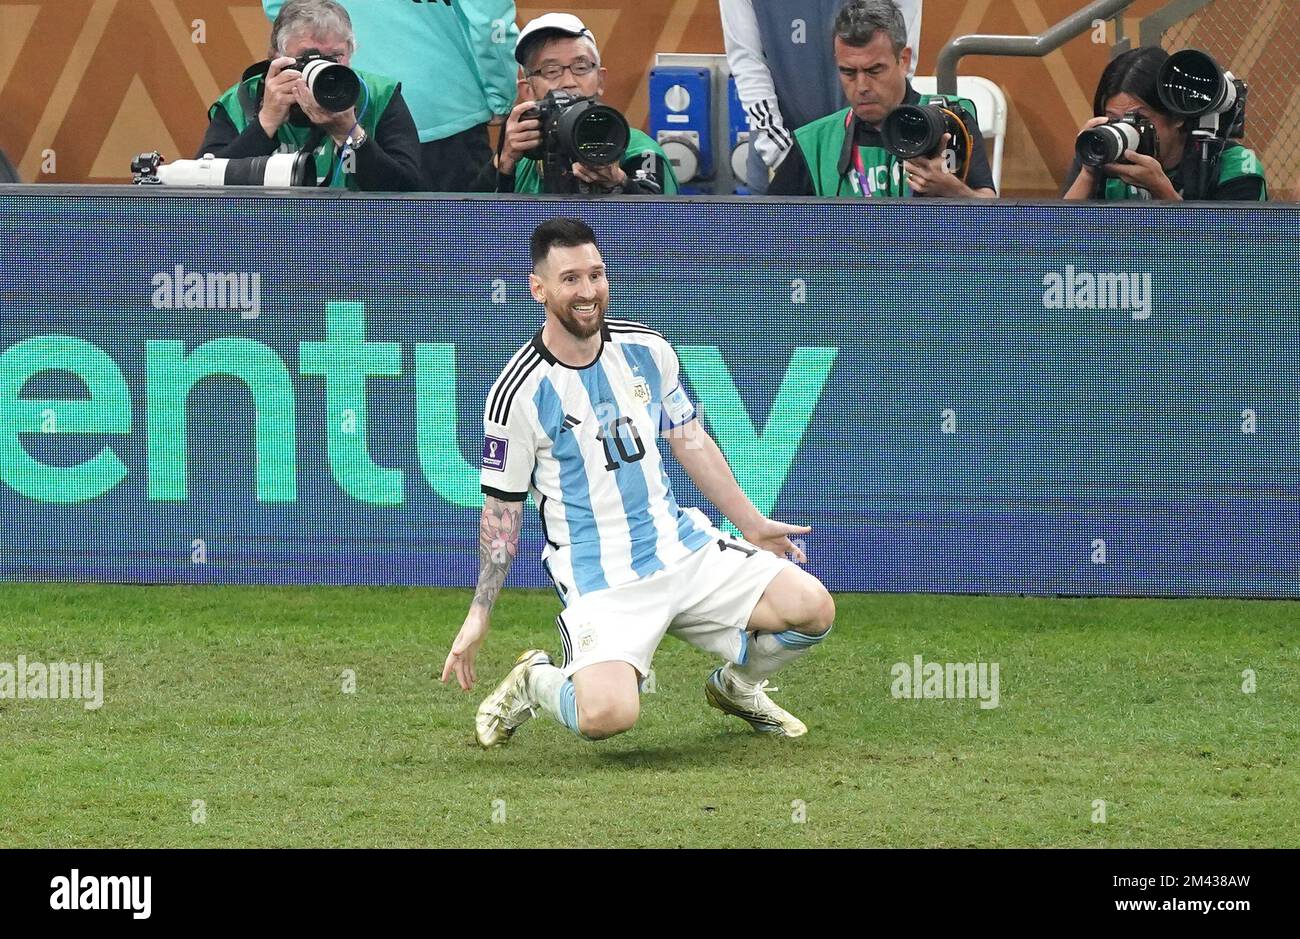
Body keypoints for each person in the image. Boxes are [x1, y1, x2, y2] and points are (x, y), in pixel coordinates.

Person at [442, 218, 834, 747]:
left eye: (596, 275)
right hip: (601, 577)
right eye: (570, 280)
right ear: (539, 289)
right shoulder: (518, 392)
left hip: (681, 547)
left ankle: (738, 686)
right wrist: (479, 613)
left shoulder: (648, 349)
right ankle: (534, 681)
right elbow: (502, 515)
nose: (587, 292)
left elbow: (689, 441)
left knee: (812, 608)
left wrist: (752, 524)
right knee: (607, 717)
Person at [262, 0, 518, 192]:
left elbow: (284, 9)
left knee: (341, 247)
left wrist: (316, 65)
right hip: (445, 112)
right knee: (455, 249)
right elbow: (490, 24)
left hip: (343, 96)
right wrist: (501, 96)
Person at [769, 0, 995, 199]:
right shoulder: (815, 143)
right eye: (848, 72)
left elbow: (993, 219)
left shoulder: (951, 120)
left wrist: (953, 191)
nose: (861, 87)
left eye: (874, 70)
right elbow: (764, 229)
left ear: (903, 60)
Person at [199, 0, 422, 192]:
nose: (323, 69)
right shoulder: (241, 101)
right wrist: (266, 122)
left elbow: (408, 192)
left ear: (351, 53)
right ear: (276, 57)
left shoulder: (377, 95)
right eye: (308, 58)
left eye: (335, 56)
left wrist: (349, 134)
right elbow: (201, 186)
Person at [722, 0, 922, 193]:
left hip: (874, 147)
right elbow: (747, 60)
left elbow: (896, 58)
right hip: (780, 149)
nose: (861, 84)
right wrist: (786, 157)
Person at [473, 14, 678, 195]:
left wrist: (618, 182)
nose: (569, 81)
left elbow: (662, 229)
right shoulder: (524, 155)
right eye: (551, 71)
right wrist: (504, 163)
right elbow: (472, 228)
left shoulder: (637, 149)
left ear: (600, 80)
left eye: (581, 67)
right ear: (527, 91)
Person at [1062, 47, 1267, 201]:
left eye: (1138, 118)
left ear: (1177, 117)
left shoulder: (1235, 166)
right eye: (1114, 119)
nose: (1123, 129)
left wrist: (1161, 190)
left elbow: (1229, 253)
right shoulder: (1103, 153)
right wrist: (1088, 174)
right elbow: (1057, 241)